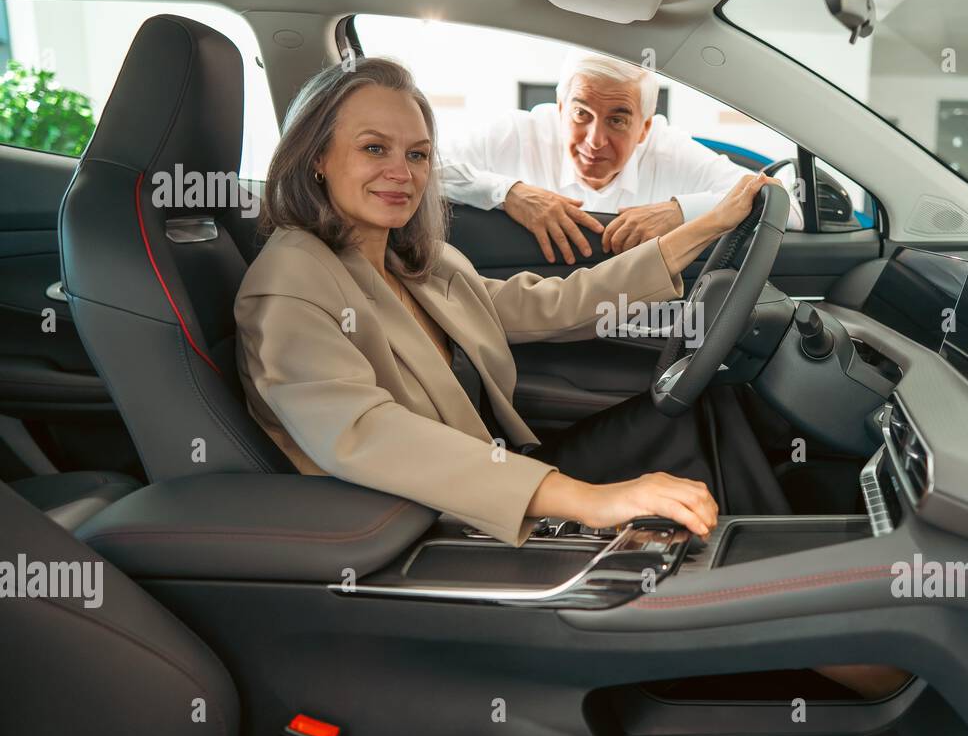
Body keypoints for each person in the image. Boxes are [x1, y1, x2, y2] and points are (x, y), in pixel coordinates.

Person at [234, 56, 791, 547]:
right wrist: (590, 500)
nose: (403, 173)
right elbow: (368, 434)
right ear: (317, 158)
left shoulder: (413, 262)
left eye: (419, 154)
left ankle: (785, 589)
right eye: (374, 148)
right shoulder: (291, 283)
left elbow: (562, 302)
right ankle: (811, 625)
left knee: (709, 406)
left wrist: (706, 226)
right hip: (444, 520)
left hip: (502, 469)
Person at [438, 49, 803, 265]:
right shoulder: (518, 134)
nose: (595, 140)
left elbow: (785, 207)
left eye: (617, 120)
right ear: (561, 108)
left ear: (644, 127)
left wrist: (679, 212)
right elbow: (421, 166)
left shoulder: (669, 150)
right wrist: (508, 193)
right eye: (581, 114)